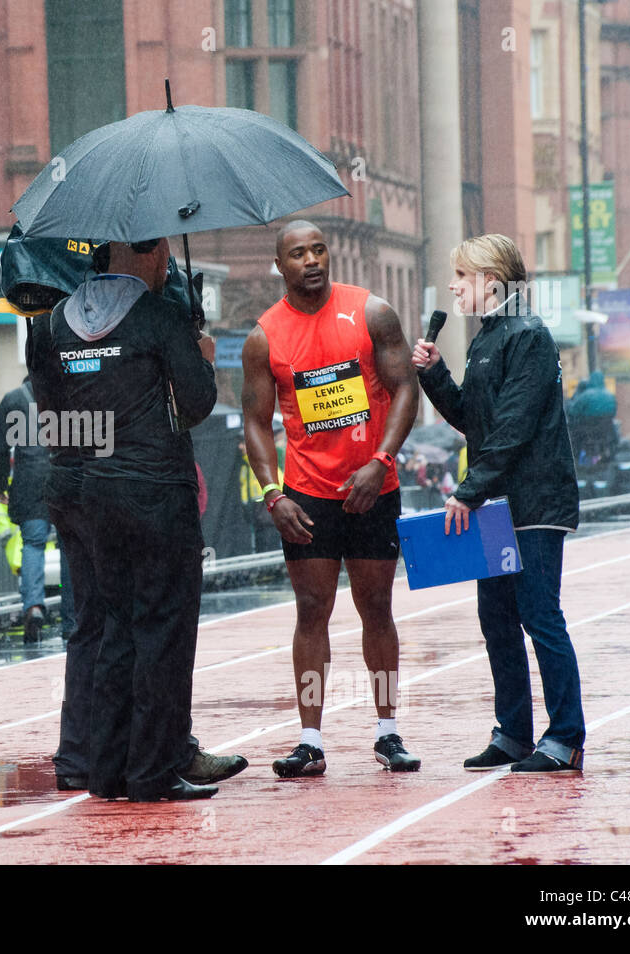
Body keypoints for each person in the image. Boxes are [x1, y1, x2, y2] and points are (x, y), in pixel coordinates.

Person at [27, 242, 247, 797]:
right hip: (157, 493)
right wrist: (200, 353)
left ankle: (106, 771)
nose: (169, 266)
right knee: (164, 630)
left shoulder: (55, 324)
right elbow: (195, 404)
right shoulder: (160, 315)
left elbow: (52, 414)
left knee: (115, 630)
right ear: (148, 254)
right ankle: (152, 772)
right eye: (165, 256)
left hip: (94, 492)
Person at [241, 219, 420, 778]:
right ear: (280, 265)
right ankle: (311, 740)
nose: (312, 260)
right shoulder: (264, 337)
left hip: (373, 487)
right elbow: (254, 422)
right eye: (298, 253)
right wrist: (273, 494)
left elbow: (405, 389)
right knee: (312, 611)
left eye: (319, 249)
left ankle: (388, 732)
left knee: (377, 610)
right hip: (308, 496)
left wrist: (381, 462)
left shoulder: (371, 313)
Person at [412, 233, 584, 773]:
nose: (453, 287)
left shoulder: (529, 336)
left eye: (461, 277)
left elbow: (513, 428)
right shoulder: (488, 338)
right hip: (498, 507)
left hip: (533, 503)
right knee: (497, 621)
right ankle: (513, 732)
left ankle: (565, 737)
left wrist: (467, 490)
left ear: (490, 279)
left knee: (540, 616)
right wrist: (435, 375)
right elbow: (475, 421)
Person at [0, 377, 67, 641]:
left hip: (29, 481)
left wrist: (0, 486)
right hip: (66, 477)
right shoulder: (68, 390)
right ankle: (75, 616)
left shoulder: (14, 399)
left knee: (33, 544)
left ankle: (33, 606)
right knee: (71, 546)